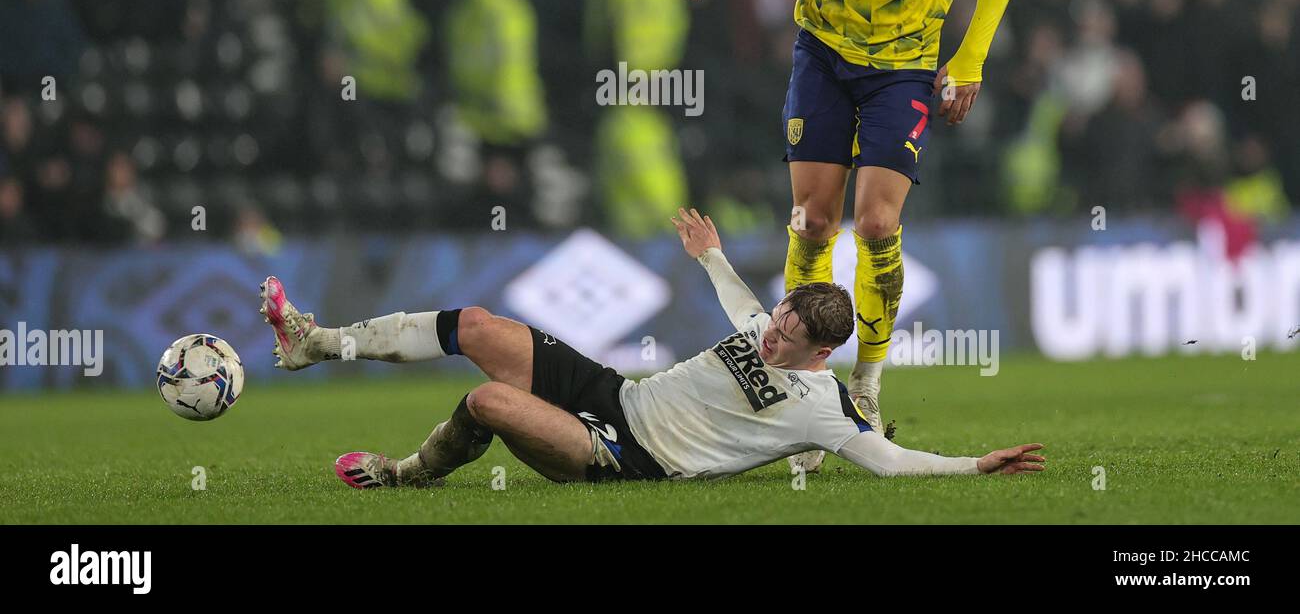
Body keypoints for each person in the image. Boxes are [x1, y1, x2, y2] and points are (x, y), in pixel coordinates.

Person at [673, 0, 1021, 470]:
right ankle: (803, 389)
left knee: (875, 224)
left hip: (902, 67)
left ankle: (865, 382)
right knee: (810, 223)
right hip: (823, 52)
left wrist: (970, 59)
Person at [260, 208, 1044, 487]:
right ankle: (314, 342)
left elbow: (891, 461)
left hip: (625, 456)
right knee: (475, 325)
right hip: (613, 394)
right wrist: (710, 255)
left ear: (818, 360)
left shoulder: (821, 410)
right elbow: (744, 306)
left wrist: (975, 464)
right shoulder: (767, 330)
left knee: (488, 404)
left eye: (786, 340)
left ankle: (404, 477)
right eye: (774, 321)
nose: (767, 336)